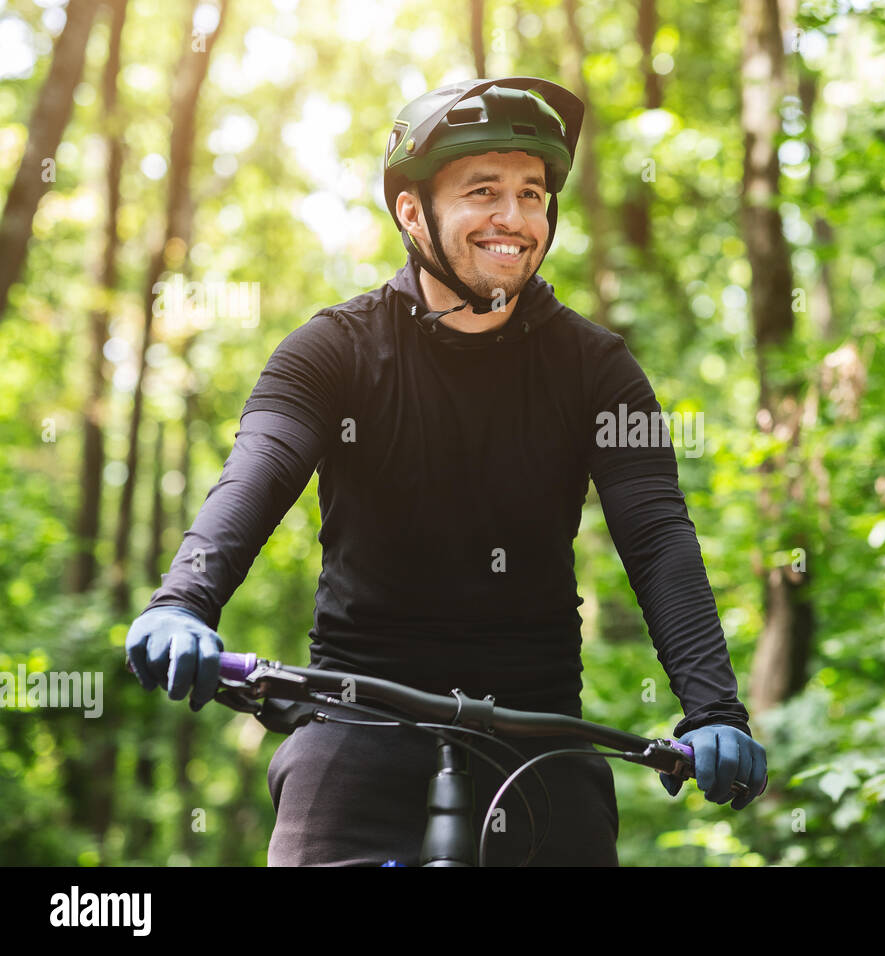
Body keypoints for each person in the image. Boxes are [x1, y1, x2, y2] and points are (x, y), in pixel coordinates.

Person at [124, 75, 767, 866]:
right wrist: (183, 601)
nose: (515, 218)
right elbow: (255, 474)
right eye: (483, 190)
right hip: (354, 722)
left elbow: (659, 536)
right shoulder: (331, 352)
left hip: (538, 735)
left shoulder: (598, 369)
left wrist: (714, 709)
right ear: (411, 212)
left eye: (532, 193)